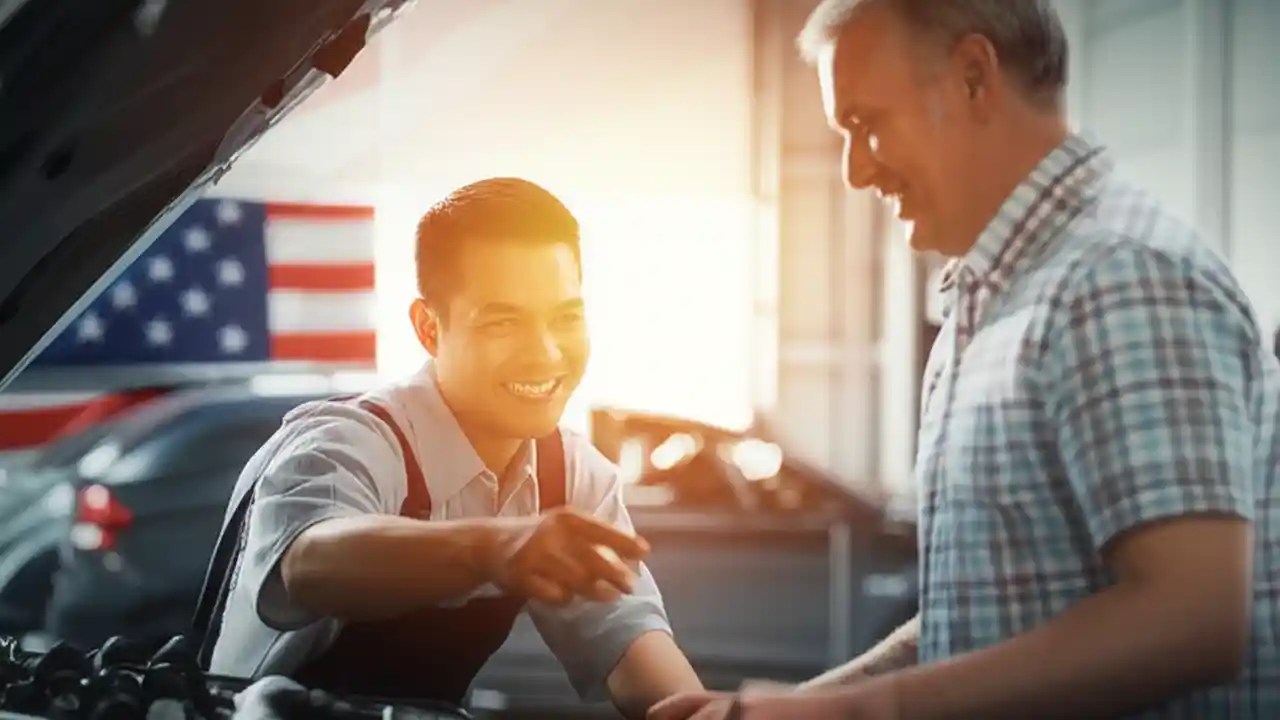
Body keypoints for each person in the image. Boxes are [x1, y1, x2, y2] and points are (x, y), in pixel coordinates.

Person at [650, 1, 1280, 719]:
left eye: (865, 124)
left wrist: (853, 715)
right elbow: (980, 620)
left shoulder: (1119, 278)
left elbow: (1189, 619)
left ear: (974, 78)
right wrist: (791, 709)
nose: (856, 172)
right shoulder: (992, 303)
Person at [196, 177, 702, 718]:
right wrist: (492, 549)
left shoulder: (571, 475)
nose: (546, 353)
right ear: (429, 328)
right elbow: (309, 564)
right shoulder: (349, 440)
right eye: (503, 322)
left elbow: (634, 655)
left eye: (566, 317)